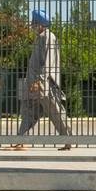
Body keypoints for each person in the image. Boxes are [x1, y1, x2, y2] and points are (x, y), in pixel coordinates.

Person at [14, 9, 72, 150]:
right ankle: (21, 140)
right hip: (34, 84)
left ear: (40, 24)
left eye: (34, 23)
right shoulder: (40, 38)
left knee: (55, 112)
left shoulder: (48, 37)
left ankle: (69, 140)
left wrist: (39, 80)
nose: (32, 26)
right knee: (28, 112)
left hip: (44, 85)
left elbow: (48, 62)